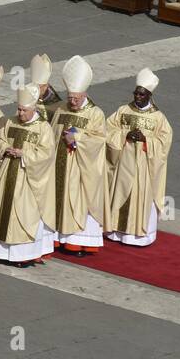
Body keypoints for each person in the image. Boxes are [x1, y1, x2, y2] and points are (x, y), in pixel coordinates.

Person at [0, 85, 57, 267]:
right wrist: (4, 148)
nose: (20, 113)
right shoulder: (11, 122)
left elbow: (47, 154)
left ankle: (23, 255)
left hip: (28, 179)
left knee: (24, 215)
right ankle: (2, 252)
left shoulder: (43, 128)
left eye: (24, 110)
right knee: (5, 209)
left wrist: (24, 155)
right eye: (18, 109)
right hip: (8, 174)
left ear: (33, 109)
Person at [105, 69, 173, 247]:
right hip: (123, 163)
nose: (137, 97)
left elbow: (164, 143)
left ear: (149, 95)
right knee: (119, 192)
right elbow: (108, 129)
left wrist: (146, 140)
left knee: (140, 195)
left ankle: (139, 236)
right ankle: (115, 231)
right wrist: (125, 134)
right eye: (136, 93)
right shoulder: (123, 110)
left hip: (143, 166)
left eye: (141, 94)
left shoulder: (158, 118)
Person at [50, 56, 108, 257]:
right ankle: (58, 238)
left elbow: (99, 140)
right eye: (70, 97)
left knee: (79, 201)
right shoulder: (62, 109)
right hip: (59, 163)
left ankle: (79, 241)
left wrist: (77, 138)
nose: (72, 102)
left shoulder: (96, 114)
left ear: (85, 94)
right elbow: (52, 132)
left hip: (80, 168)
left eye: (76, 98)